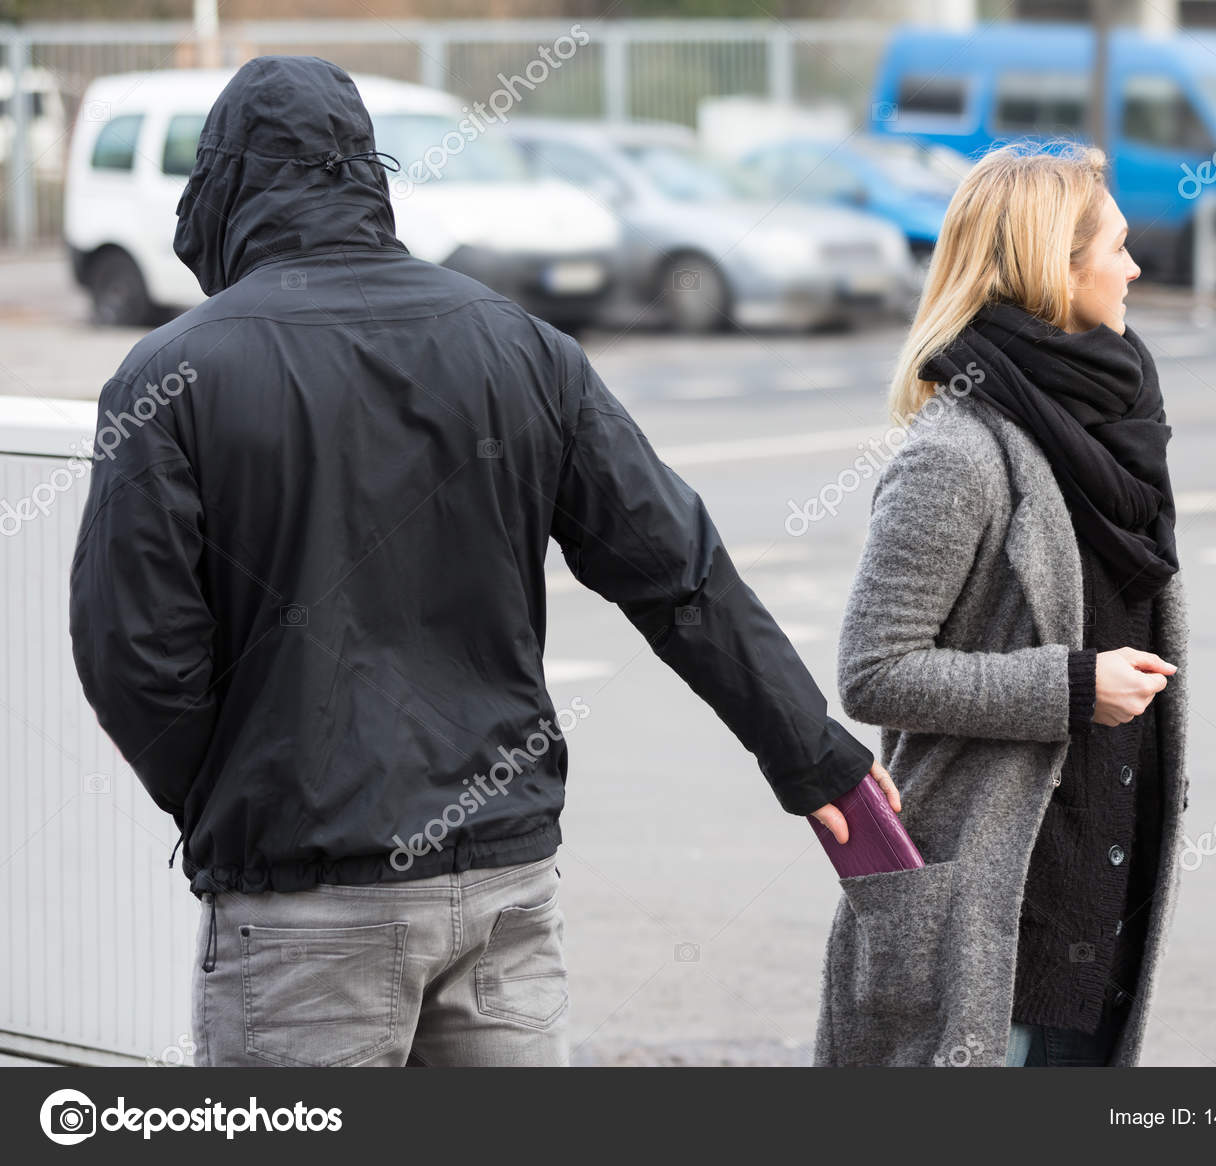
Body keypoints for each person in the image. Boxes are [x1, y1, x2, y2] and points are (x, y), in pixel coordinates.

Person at [68, 55, 893, 1068]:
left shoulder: (170, 377)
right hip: (500, 885)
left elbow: (133, 654)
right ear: (365, 175)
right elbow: (678, 571)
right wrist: (810, 754)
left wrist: (243, 796)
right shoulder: (523, 348)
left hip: (302, 911)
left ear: (224, 185)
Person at [813, 142, 1192, 1068]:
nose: (1136, 268)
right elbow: (874, 669)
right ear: (1050, 268)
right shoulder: (959, 451)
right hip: (994, 908)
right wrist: (1070, 686)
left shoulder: (1117, 432)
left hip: (1101, 886)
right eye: (1116, 248)